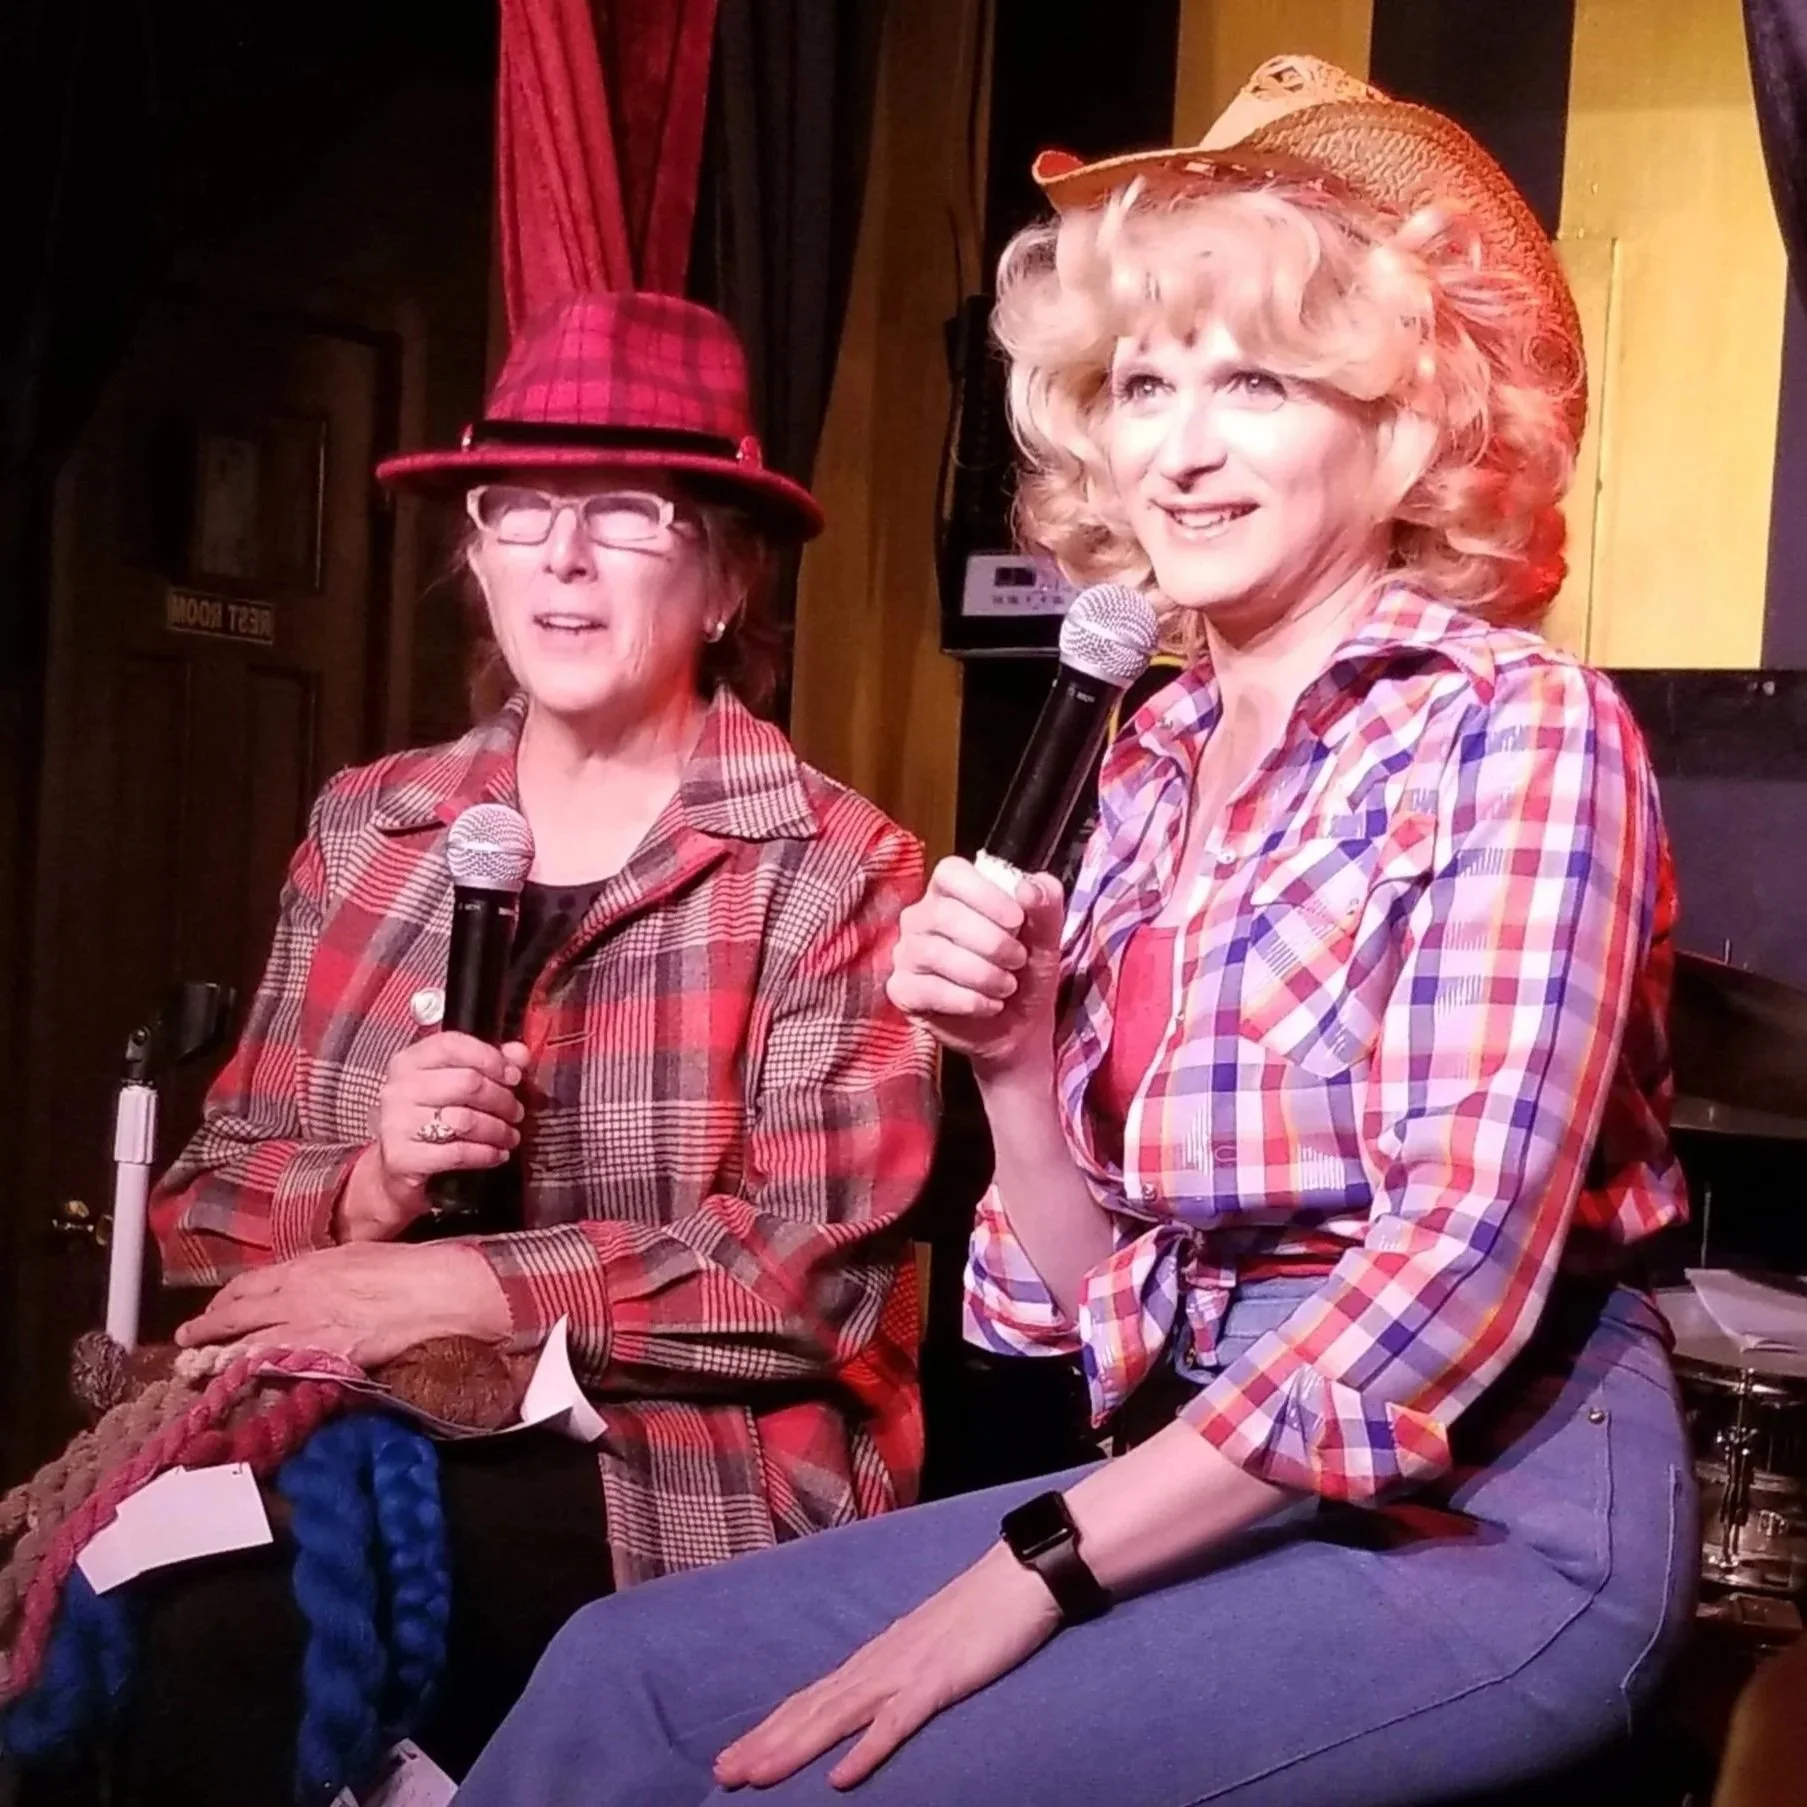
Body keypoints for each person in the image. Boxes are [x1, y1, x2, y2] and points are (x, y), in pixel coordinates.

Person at [452, 57, 1697, 1807]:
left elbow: (1457, 1268)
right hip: (1199, 1472)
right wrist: (1018, 1067)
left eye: (1255, 380)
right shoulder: (1156, 754)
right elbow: (1092, 1312)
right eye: (1138, 382)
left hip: (1486, 1523)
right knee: (617, 1673)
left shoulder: (1516, 731)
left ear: (1402, 419)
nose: (1177, 449)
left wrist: (1021, 1575)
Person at [110, 291, 937, 1804]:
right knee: (114, 1605)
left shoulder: (834, 868)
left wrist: (453, 1279)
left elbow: (815, 1283)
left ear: (723, 575)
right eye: (519, 509)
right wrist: (368, 1184)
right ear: (474, 552)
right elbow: (204, 1209)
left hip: (687, 1465)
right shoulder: (377, 822)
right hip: (346, 1401)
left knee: (237, 1631)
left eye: (623, 515)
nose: (558, 555)